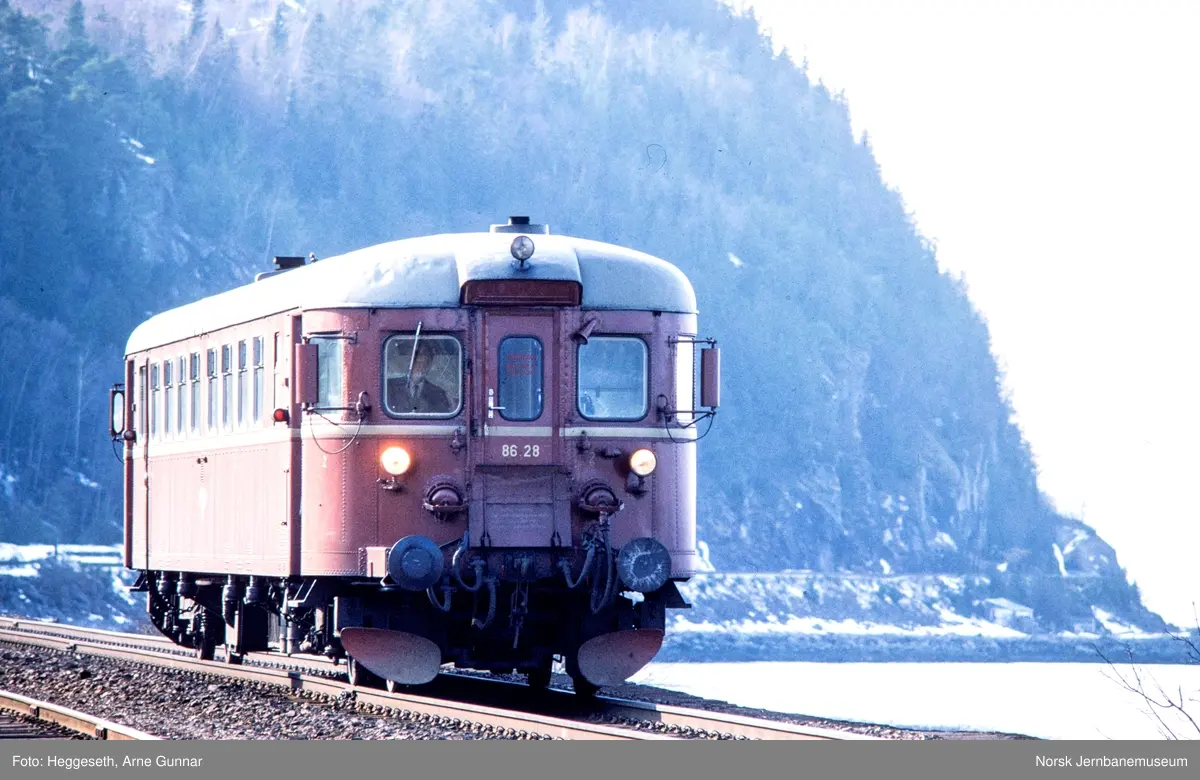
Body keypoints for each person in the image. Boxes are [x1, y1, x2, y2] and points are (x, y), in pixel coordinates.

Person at [388, 344, 451, 414]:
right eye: (416, 362)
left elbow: (442, 417)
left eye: (423, 363)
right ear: (409, 363)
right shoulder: (390, 386)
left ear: (429, 365)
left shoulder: (439, 393)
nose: (420, 366)